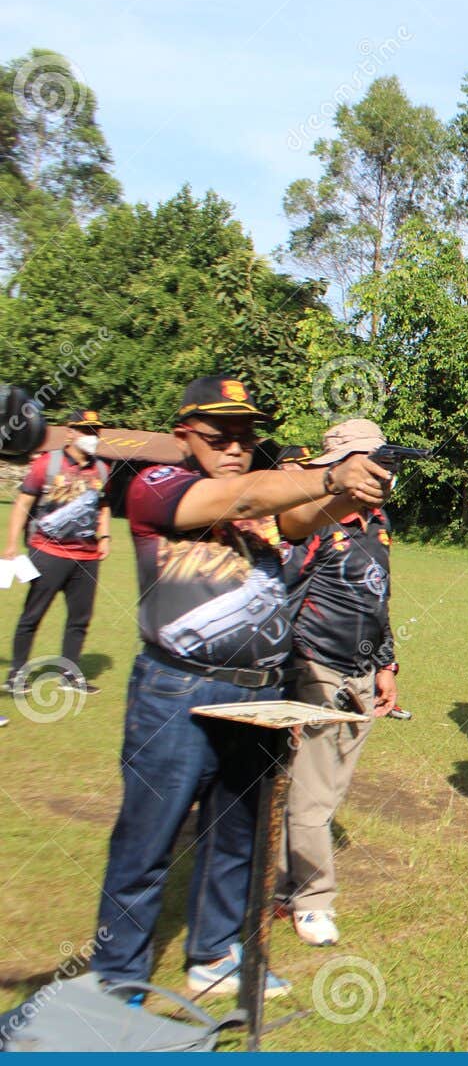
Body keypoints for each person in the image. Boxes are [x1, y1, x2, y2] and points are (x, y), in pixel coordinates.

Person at [89, 375, 389, 998]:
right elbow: (244, 498)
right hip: (179, 690)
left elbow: (300, 518)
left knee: (238, 834)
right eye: (219, 435)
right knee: (149, 840)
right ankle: (118, 980)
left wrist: (349, 489)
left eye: (246, 436)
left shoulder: (263, 507)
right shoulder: (158, 485)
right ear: (182, 437)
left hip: (256, 694)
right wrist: (334, 476)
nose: (234, 447)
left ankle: (216, 954)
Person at [278, 419, 402, 948]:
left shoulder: (378, 520)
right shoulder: (309, 518)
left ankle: (286, 883)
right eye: (378, 461)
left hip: (362, 668)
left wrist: (387, 665)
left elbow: (378, 597)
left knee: (329, 787)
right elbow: (279, 593)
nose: (387, 472)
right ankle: (311, 899)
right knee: (313, 789)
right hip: (315, 665)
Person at [4, 409, 112, 696]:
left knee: (79, 619)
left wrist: (105, 535)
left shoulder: (102, 469)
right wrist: (11, 544)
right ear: (70, 433)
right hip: (47, 551)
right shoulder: (46, 464)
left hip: (86, 557)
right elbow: (23, 503)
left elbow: (103, 505)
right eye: (86, 430)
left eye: (96, 431)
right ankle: (16, 674)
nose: (92, 437)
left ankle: (70, 676)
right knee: (32, 615)